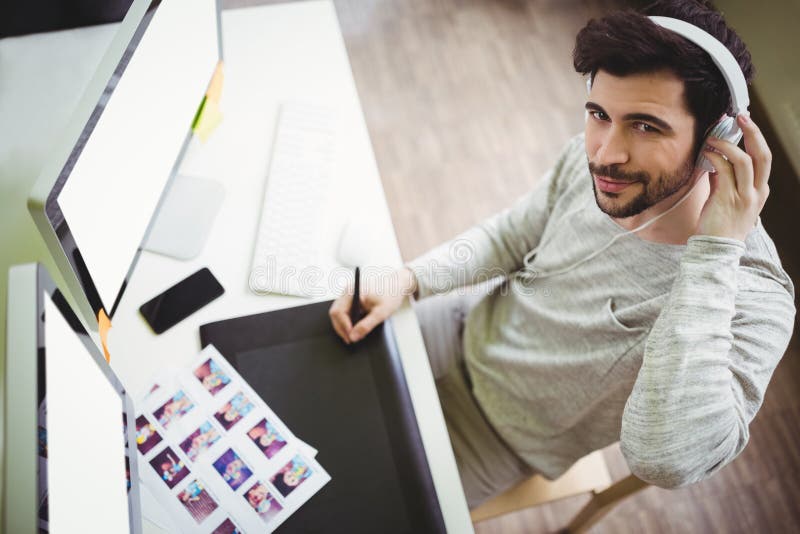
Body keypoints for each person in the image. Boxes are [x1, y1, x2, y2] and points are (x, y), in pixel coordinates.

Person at [328, 0, 795, 508]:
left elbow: (663, 456)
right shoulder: (595, 162)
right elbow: (511, 236)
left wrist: (714, 253)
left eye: (646, 126)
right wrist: (409, 280)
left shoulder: (755, 299)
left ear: (718, 141)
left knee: (344, 510)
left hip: (499, 440)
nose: (604, 154)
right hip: (461, 329)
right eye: (599, 114)